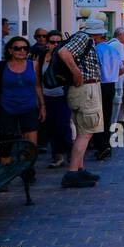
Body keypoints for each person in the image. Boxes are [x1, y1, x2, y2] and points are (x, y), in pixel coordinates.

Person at [54, 18, 107, 188]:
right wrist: (76, 72)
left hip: (85, 89)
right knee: (87, 131)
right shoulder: (83, 37)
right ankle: (72, 172)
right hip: (86, 89)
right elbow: (64, 52)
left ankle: (79, 168)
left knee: (82, 130)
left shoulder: (84, 38)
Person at [0, 36, 44, 173]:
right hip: (7, 108)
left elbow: (37, 86)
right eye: (17, 48)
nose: (22, 51)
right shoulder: (0, 67)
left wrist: (43, 106)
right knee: (6, 143)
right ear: (10, 50)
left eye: (25, 48)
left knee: (31, 144)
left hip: (29, 108)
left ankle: (29, 171)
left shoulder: (33, 65)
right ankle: (4, 175)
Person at [37, 30, 72, 168]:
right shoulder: (41, 58)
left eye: (59, 42)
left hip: (63, 96)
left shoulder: (65, 57)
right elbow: (38, 81)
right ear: (47, 43)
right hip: (47, 97)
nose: (56, 44)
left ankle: (71, 153)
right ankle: (57, 156)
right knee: (50, 127)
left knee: (63, 125)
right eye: (52, 42)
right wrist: (40, 102)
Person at [91, 23, 123, 161]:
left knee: (98, 116)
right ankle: (107, 144)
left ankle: (101, 146)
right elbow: (121, 69)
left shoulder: (95, 50)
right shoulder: (113, 50)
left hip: (99, 84)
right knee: (108, 114)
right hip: (111, 84)